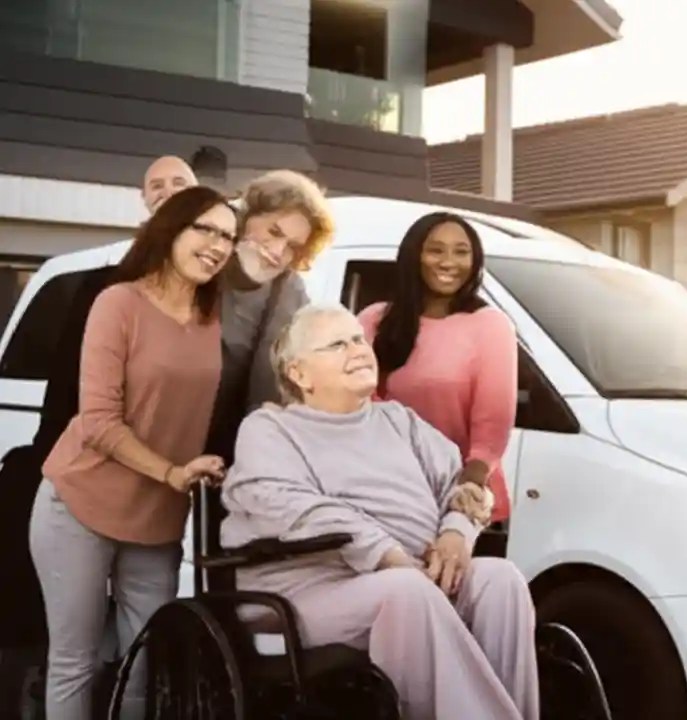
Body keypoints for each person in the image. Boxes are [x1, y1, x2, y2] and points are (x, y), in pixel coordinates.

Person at [220, 304, 538, 720]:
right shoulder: (271, 429)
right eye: (337, 344)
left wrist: (455, 535)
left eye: (358, 339)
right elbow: (286, 505)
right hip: (308, 593)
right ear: (299, 374)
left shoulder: (399, 420)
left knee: (500, 580)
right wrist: (386, 554)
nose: (357, 349)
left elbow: (459, 487)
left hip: (416, 576)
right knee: (405, 592)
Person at [29, 186, 237, 719]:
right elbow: (97, 420)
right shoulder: (119, 302)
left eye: (228, 236)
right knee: (74, 662)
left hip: (158, 517)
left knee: (146, 664)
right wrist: (171, 472)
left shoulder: (215, 315)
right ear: (170, 229)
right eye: (205, 229)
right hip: (79, 503)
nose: (218, 244)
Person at [357, 212, 518, 524]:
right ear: (413, 255)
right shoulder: (373, 320)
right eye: (435, 250)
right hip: (385, 496)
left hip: (464, 498)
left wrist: (470, 486)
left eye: (461, 252)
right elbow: (357, 403)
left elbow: (493, 417)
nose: (448, 262)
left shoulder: (490, 325)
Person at [205, 170, 333, 463]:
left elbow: (275, 387)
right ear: (248, 216)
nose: (277, 251)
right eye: (274, 232)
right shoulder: (201, 257)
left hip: (230, 450)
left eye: (293, 247)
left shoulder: (289, 291)